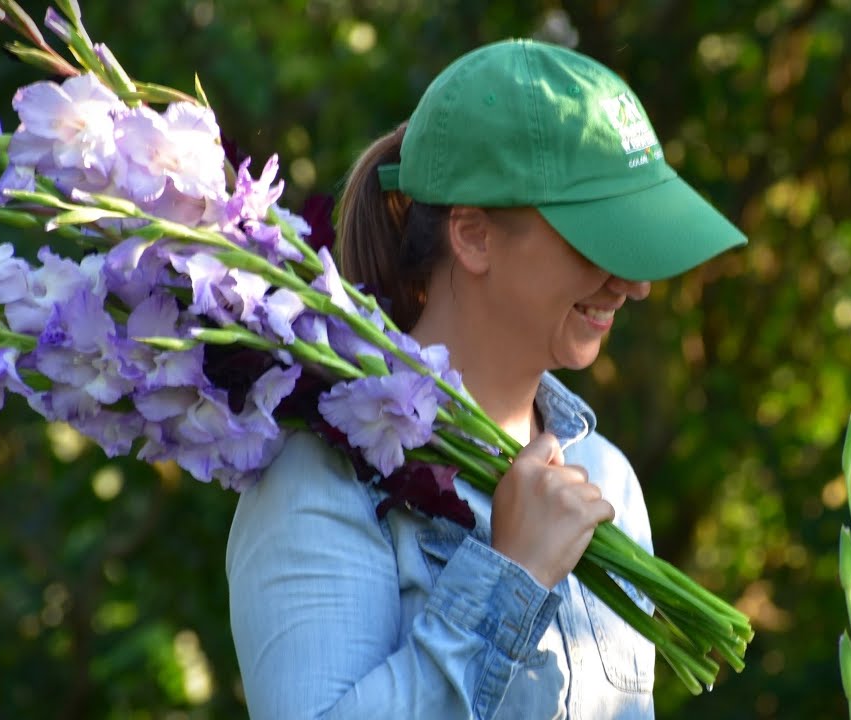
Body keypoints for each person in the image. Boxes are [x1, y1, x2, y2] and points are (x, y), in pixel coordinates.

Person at [225, 38, 746, 719]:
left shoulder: (606, 478)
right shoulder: (321, 482)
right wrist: (511, 578)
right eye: (600, 238)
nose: (637, 284)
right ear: (473, 235)